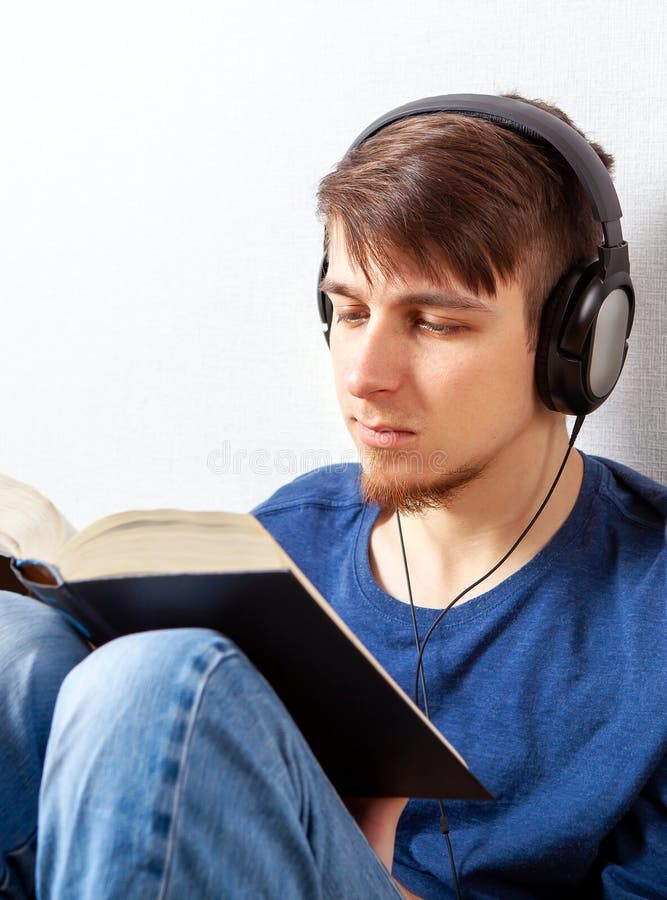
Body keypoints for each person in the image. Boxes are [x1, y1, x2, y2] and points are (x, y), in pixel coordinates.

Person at [1, 93, 665, 900]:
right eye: (350, 312)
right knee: (15, 646)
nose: (363, 377)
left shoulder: (649, 607)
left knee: (158, 678)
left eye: (434, 323)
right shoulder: (284, 540)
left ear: (576, 344)